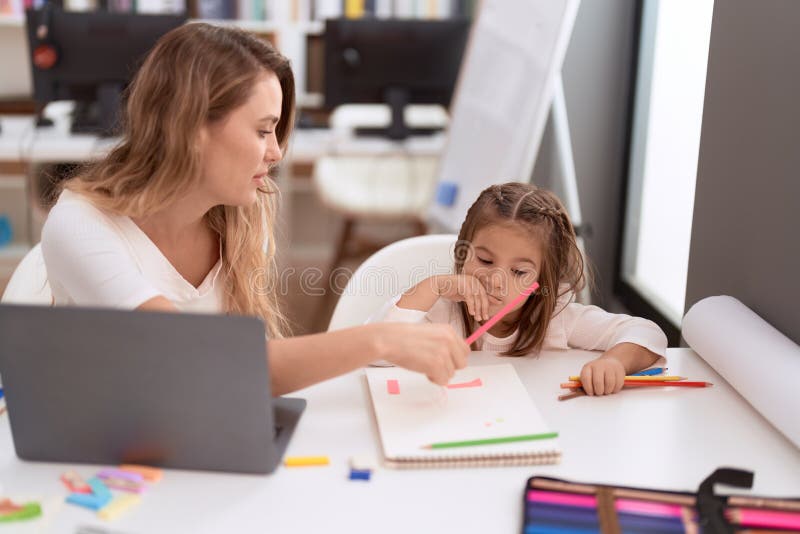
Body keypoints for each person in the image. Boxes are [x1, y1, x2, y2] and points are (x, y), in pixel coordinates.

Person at [40, 23, 468, 395]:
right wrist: (381, 341)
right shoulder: (80, 224)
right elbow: (213, 361)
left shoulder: (240, 216)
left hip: (195, 431)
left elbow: (230, 376)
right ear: (192, 129)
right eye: (263, 131)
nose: (277, 152)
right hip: (103, 466)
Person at [370, 182, 667, 396]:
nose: (497, 279)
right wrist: (432, 286)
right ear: (463, 253)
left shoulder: (555, 318)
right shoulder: (442, 310)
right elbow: (378, 352)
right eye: (485, 260)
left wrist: (615, 361)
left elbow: (647, 333)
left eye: (519, 271)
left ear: (541, 280)